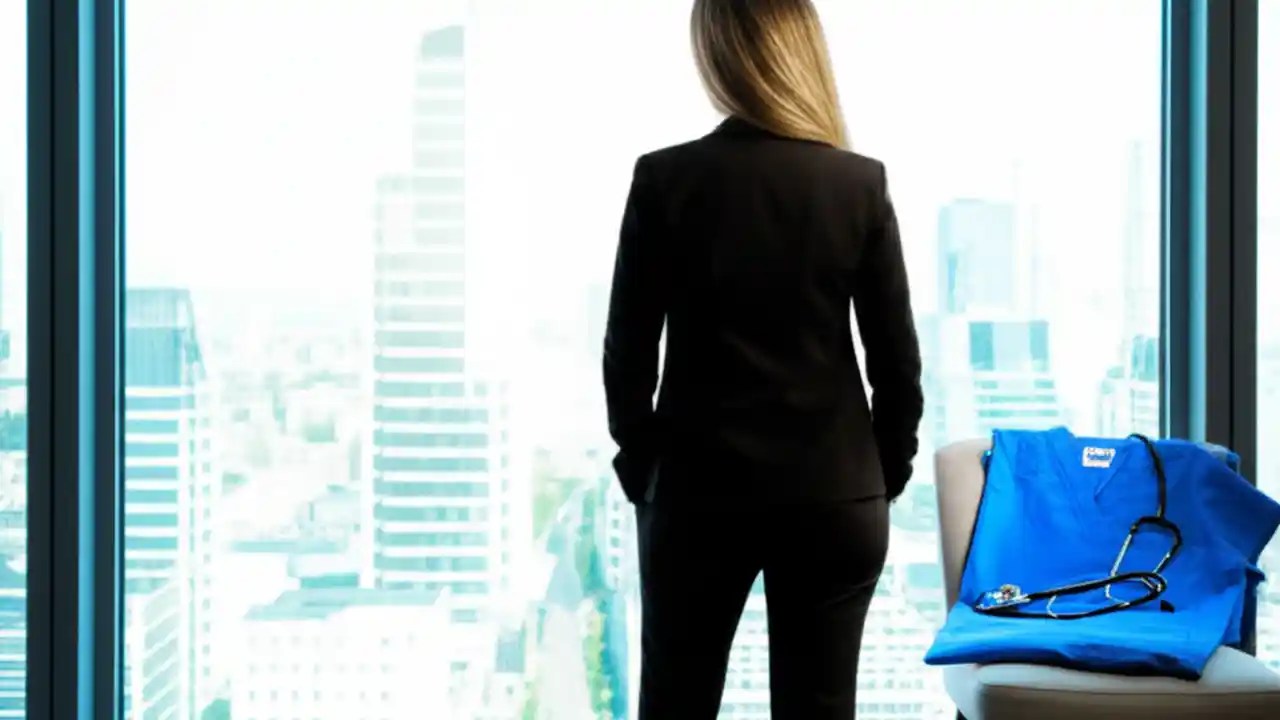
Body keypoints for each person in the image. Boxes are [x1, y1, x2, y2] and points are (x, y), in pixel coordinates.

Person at [602, 0, 924, 717]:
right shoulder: (857, 184)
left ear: (719, 55)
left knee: (676, 705)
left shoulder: (665, 180)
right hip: (835, 494)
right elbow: (897, 366)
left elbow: (627, 357)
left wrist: (642, 466)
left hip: (695, 493)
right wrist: (880, 473)